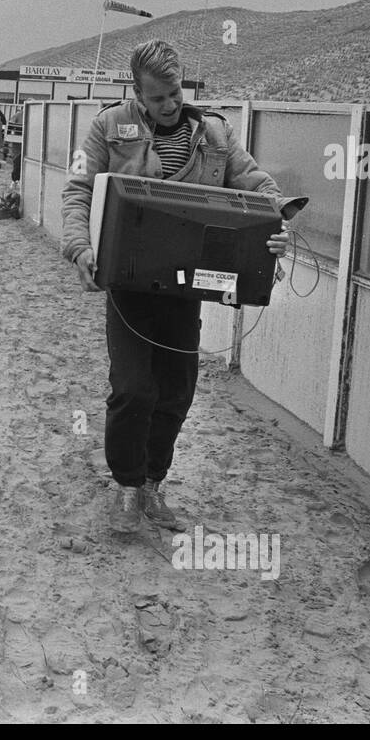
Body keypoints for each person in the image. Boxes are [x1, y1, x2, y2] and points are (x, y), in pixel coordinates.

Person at [61, 38, 292, 536]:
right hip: (130, 282)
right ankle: (126, 486)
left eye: (174, 93)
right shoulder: (107, 126)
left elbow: (256, 184)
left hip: (186, 287)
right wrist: (79, 248)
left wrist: (280, 221)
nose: (169, 105)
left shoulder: (215, 132)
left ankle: (151, 483)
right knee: (132, 387)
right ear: (137, 94)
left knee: (176, 390)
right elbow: (78, 189)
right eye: (158, 97)